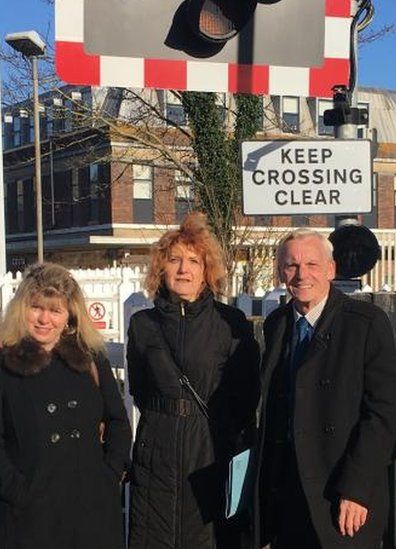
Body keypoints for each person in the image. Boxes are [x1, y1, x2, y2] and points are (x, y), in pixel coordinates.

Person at [254, 229, 396, 549]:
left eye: (312, 264)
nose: (301, 274)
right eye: (291, 266)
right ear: (280, 272)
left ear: (331, 270)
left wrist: (356, 489)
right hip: (288, 493)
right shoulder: (277, 323)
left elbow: (381, 415)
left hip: (341, 493)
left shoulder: (365, 323)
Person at [0, 262, 131, 548]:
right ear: (22, 310)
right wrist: (18, 490)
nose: (44, 319)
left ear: (69, 316)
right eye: (36, 307)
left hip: (90, 510)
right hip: (28, 515)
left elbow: (118, 421)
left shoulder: (92, 360)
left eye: (55, 310)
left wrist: (110, 475)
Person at [126, 213, 261, 549]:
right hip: (157, 448)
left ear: (206, 270)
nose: (183, 269)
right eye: (174, 260)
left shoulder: (230, 323)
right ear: (161, 268)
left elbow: (246, 396)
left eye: (193, 261)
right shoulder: (143, 325)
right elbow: (141, 390)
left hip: (210, 449)